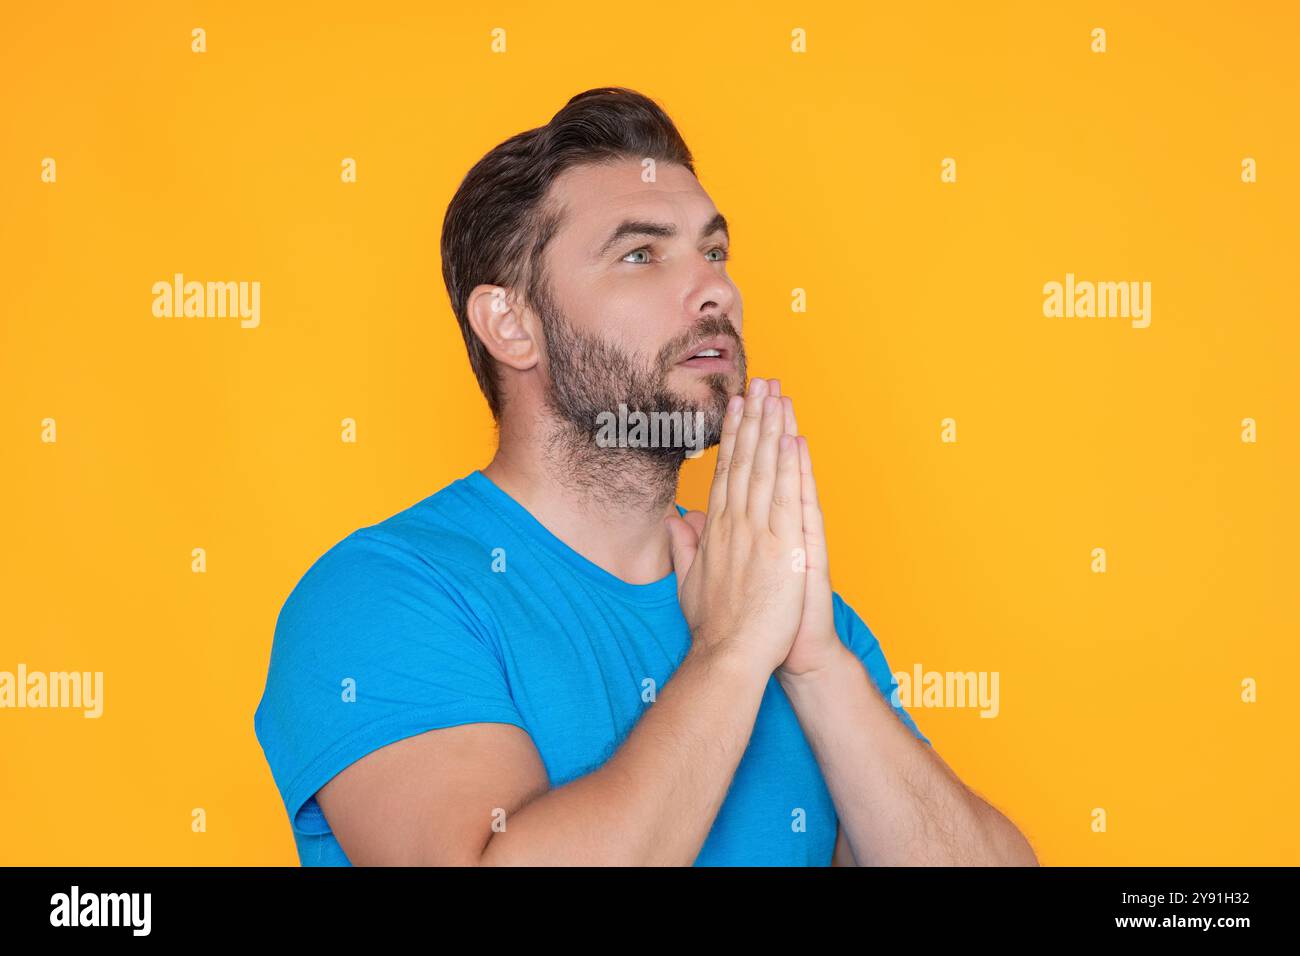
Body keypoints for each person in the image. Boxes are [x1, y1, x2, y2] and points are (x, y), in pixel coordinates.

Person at [252, 86, 1037, 867]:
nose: (716, 291)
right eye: (640, 254)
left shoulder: (780, 600)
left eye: (715, 252)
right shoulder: (382, 595)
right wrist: (729, 655)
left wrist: (815, 663)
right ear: (510, 324)